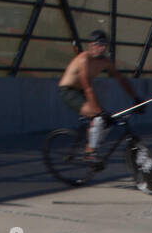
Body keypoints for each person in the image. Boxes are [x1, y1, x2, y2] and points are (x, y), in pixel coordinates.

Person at [58, 29, 139, 157]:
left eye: (104, 45)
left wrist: (136, 98)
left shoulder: (105, 61)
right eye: (98, 44)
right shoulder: (84, 59)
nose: (101, 48)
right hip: (69, 91)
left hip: (81, 91)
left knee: (108, 121)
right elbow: (88, 88)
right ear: (91, 45)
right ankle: (90, 154)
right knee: (99, 118)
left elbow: (121, 79)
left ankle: (91, 147)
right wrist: (99, 112)